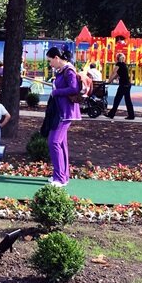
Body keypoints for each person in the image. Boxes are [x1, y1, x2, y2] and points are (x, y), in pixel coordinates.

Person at [46, 47, 81, 187]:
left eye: (50, 61)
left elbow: (74, 88)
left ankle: (60, 178)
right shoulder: (63, 70)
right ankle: (62, 176)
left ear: (56, 58)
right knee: (60, 143)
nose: (50, 64)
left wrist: (56, 92)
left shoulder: (69, 70)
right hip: (63, 111)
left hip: (65, 112)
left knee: (53, 142)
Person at [105, 52, 134, 120]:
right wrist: (111, 80)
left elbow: (113, 73)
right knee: (125, 100)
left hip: (124, 85)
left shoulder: (119, 64)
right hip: (126, 84)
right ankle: (130, 115)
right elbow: (117, 75)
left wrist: (109, 81)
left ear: (117, 58)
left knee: (118, 99)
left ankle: (112, 114)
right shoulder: (123, 65)